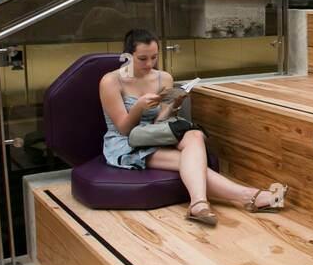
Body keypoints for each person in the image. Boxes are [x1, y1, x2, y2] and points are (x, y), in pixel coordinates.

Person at [98, 29, 287, 227]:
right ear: (128, 56)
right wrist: (138, 107)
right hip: (126, 142)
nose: (149, 64)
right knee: (189, 162)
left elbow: (159, 124)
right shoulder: (110, 81)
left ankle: (199, 204)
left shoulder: (164, 78)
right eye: (142, 58)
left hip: (153, 135)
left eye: (154, 57)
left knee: (195, 135)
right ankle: (246, 197)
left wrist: (173, 105)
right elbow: (124, 130)